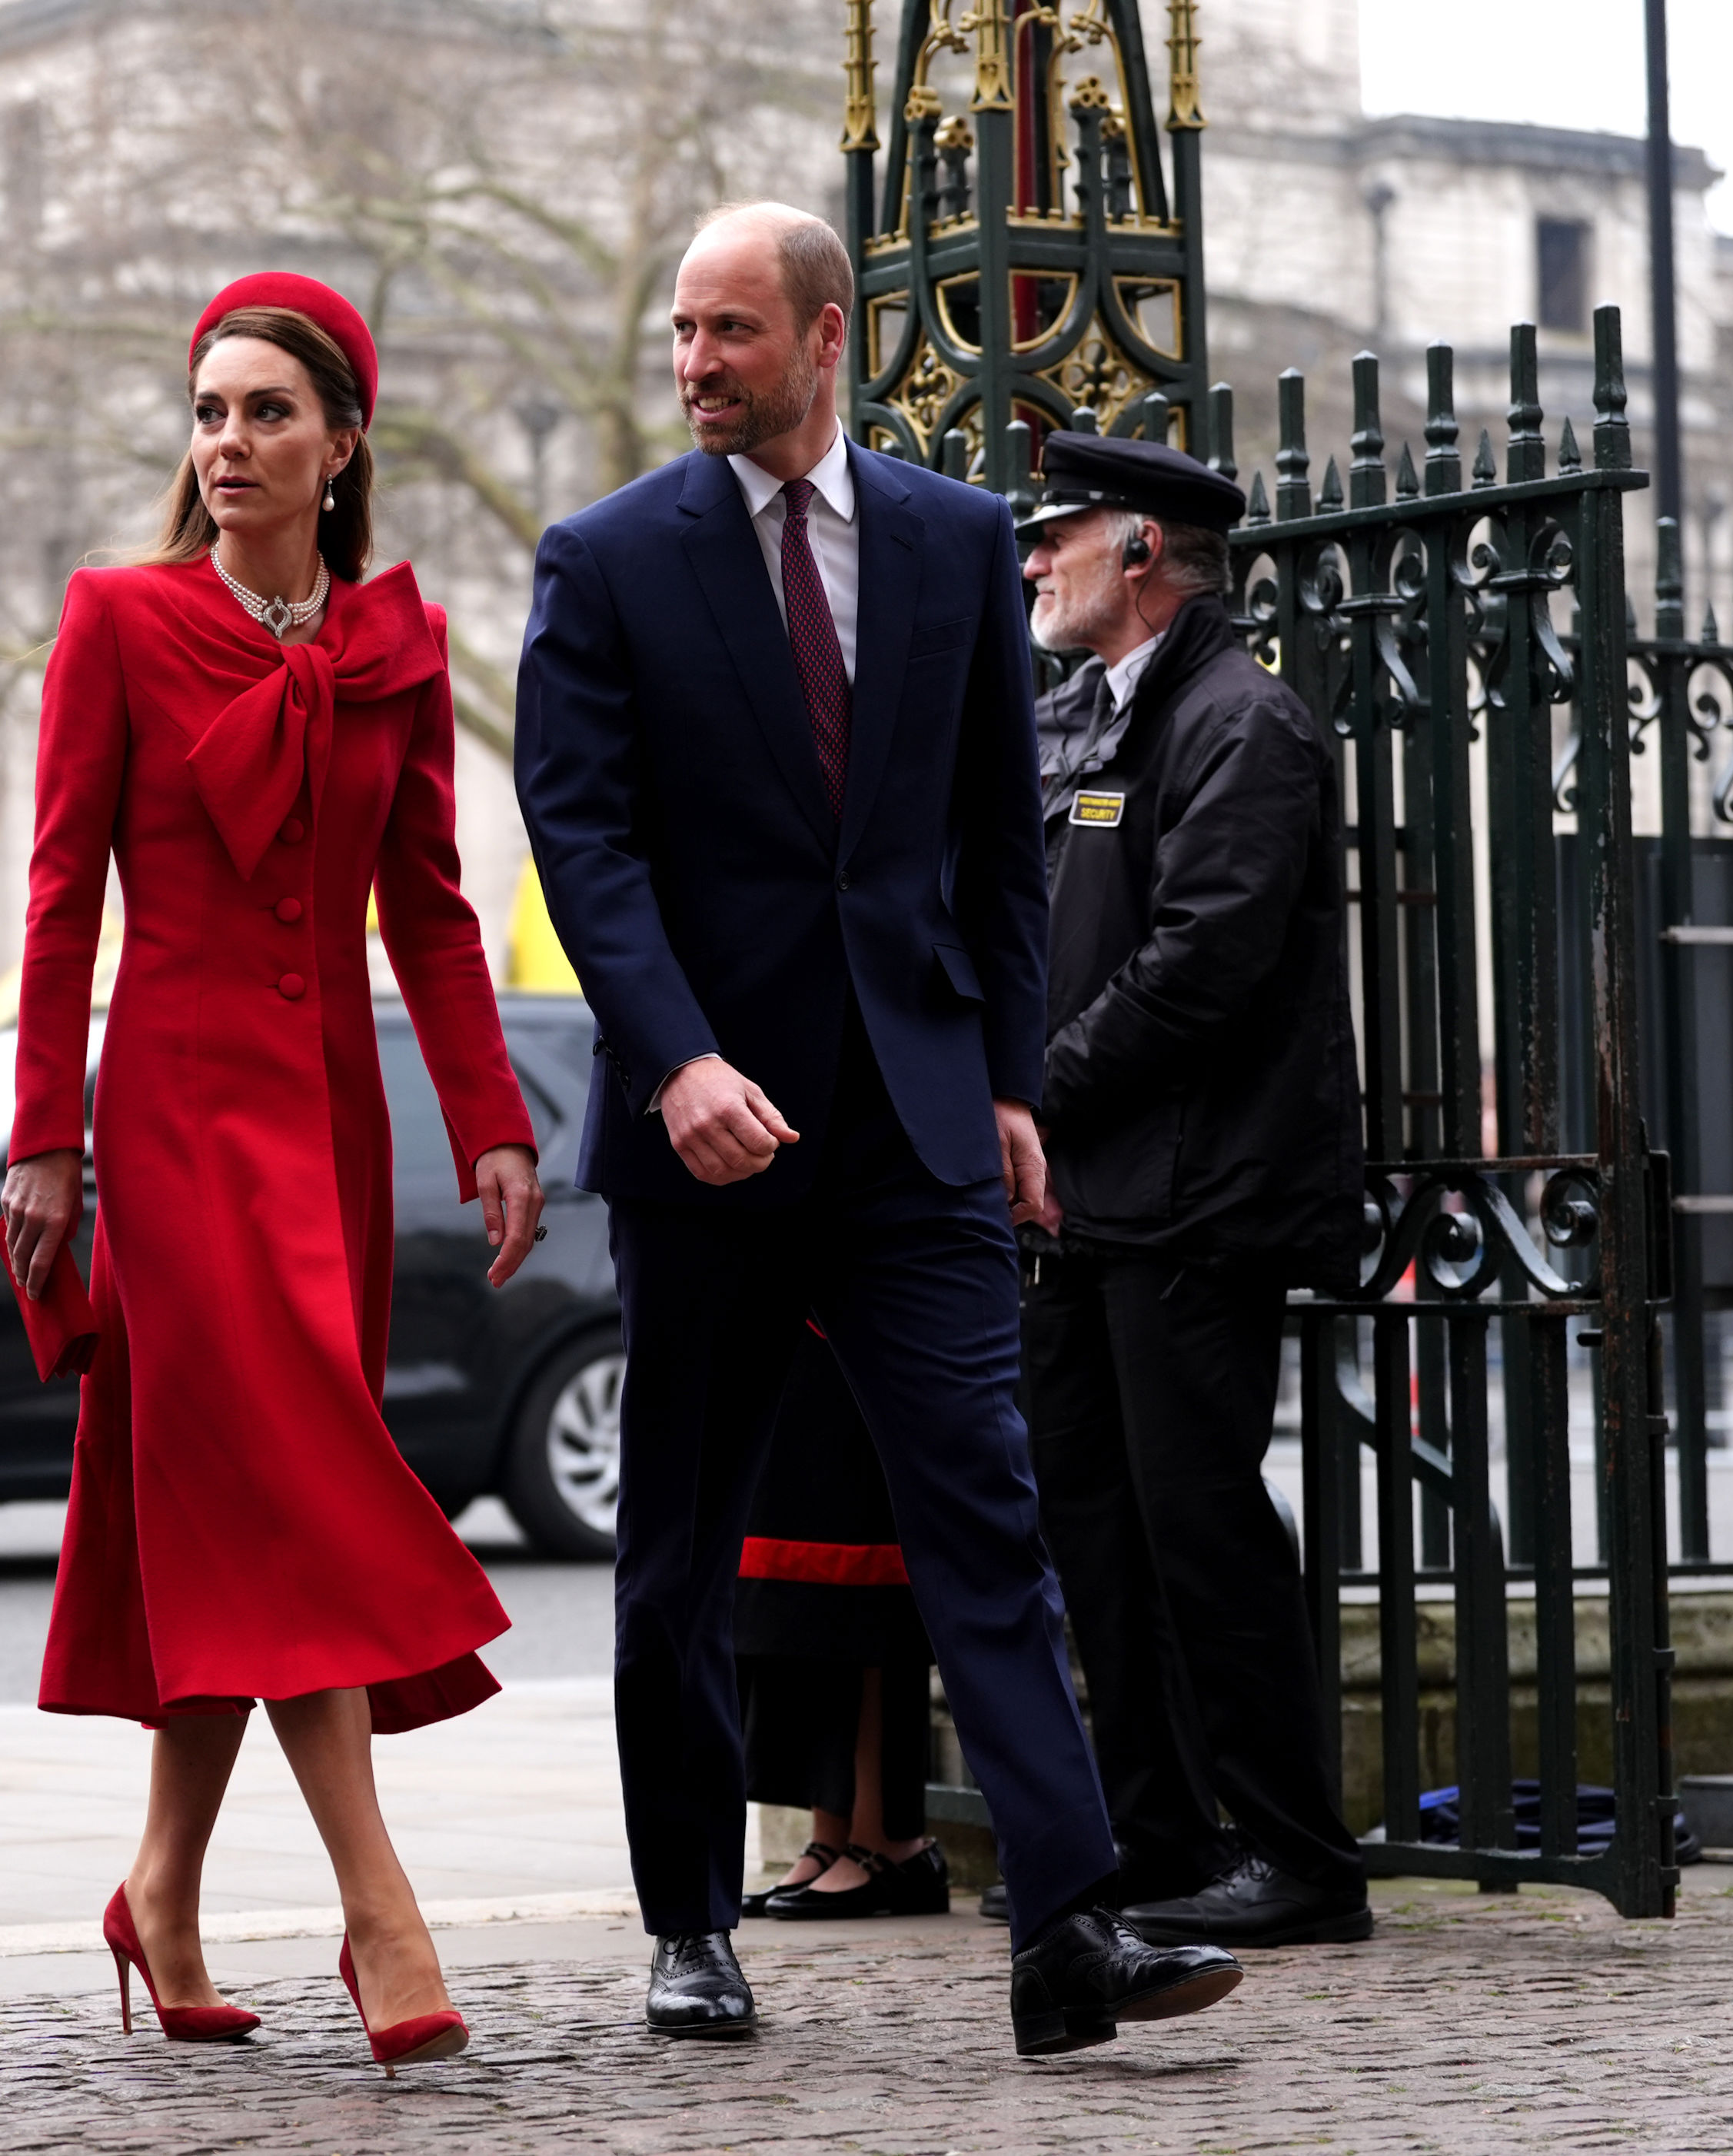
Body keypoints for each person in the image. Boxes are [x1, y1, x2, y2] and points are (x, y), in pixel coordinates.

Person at [514, 201, 1240, 2058]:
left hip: (912, 1127)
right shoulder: (602, 562)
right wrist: (670, 1059)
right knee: (677, 1541)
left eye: (729, 331)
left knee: (981, 1519)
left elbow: (996, 846)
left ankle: (1067, 1929)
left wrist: (1001, 1082)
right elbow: (582, 848)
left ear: (822, 337)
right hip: (705, 1142)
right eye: (679, 330)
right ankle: (687, 1920)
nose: (692, 363)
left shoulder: (942, 545)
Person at [0, 272, 544, 2076]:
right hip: (169, 1123)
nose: (224, 441)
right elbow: (60, 896)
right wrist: (45, 1143)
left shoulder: (392, 646)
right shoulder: (117, 620)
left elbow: (435, 918)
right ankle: (377, 1904)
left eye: (263, 415)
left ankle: (156, 1886)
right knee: (300, 1484)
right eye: (208, 412)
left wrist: (488, 1118)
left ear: (339, 444)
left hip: (331, 1126)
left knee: (236, 1519)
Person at [1014, 429, 1371, 1951]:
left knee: (1202, 1527)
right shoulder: (1072, 723)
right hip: (1084, 1201)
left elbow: (1200, 970)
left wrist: (1028, 1095)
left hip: (1202, 1196)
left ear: (1143, 548)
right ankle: (1157, 1836)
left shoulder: (1247, 723)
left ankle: (1299, 1854)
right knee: (1093, 1528)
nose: (1033, 561)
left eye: (1059, 535)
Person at [736, 1327, 953, 1921]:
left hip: (860, 1299)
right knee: (804, 1576)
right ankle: (832, 1831)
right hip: (797, 1309)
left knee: (858, 1560)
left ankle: (887, 1838)